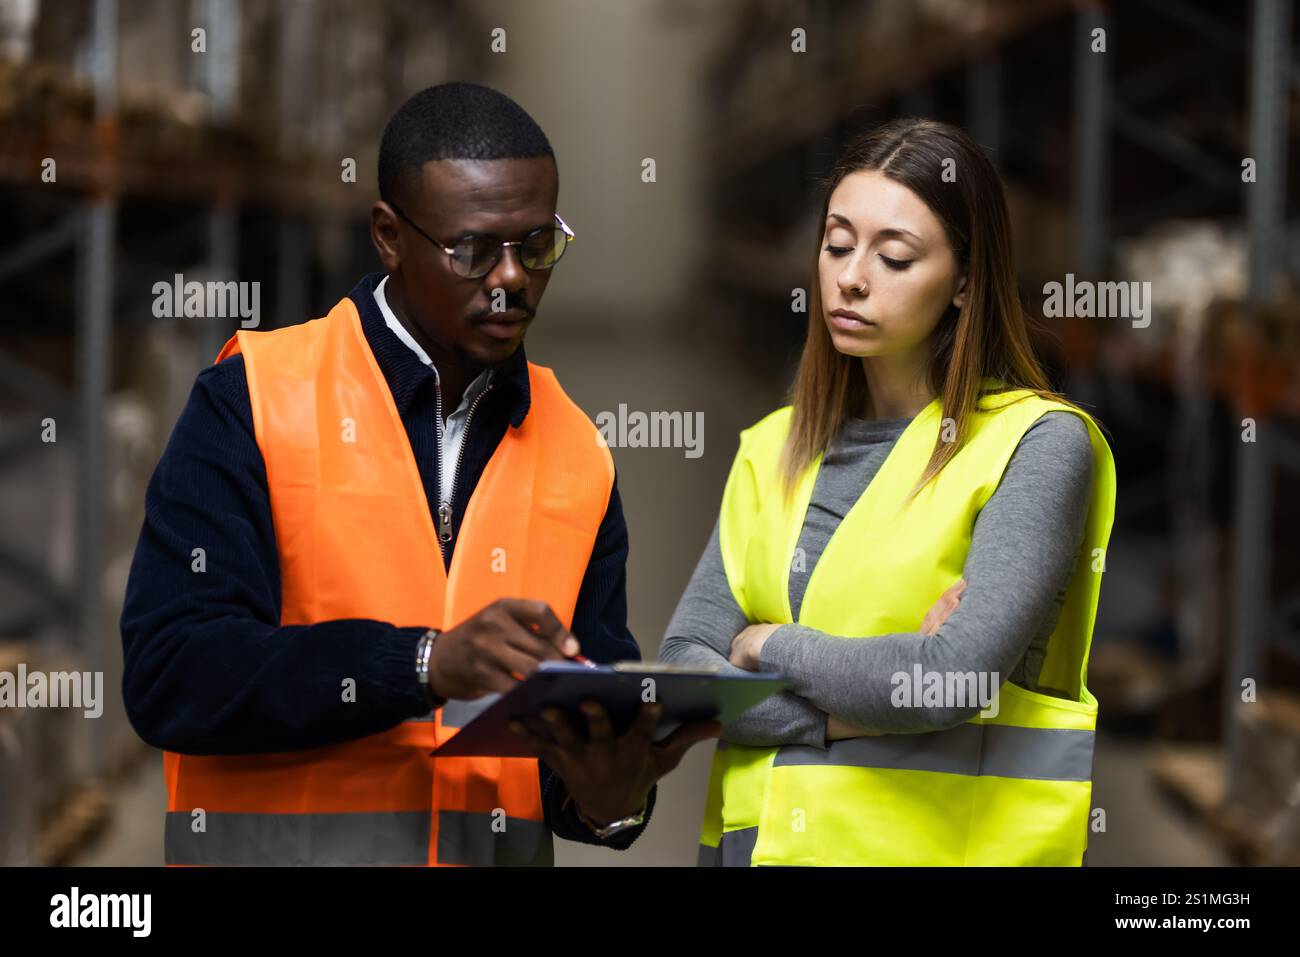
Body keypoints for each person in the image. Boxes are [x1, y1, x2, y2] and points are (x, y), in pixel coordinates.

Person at [121, 82, 718, 867]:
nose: (511, 278)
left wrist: (615, 798)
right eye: (475, 249)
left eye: (537, 245)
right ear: (389, 236)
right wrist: (421, 665)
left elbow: (577, 752)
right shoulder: (257, 399)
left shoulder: (577, 454)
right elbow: (174, 672)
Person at [660, 118, 1116, 866]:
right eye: (837, 245)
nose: (851, 276)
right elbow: (684, 671)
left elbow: (946, 682)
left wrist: (765, 642)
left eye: (894, 256)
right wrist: (859, 709)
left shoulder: (1033, 447)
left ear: (966, 281)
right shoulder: (774, 445)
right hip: (753, 848)